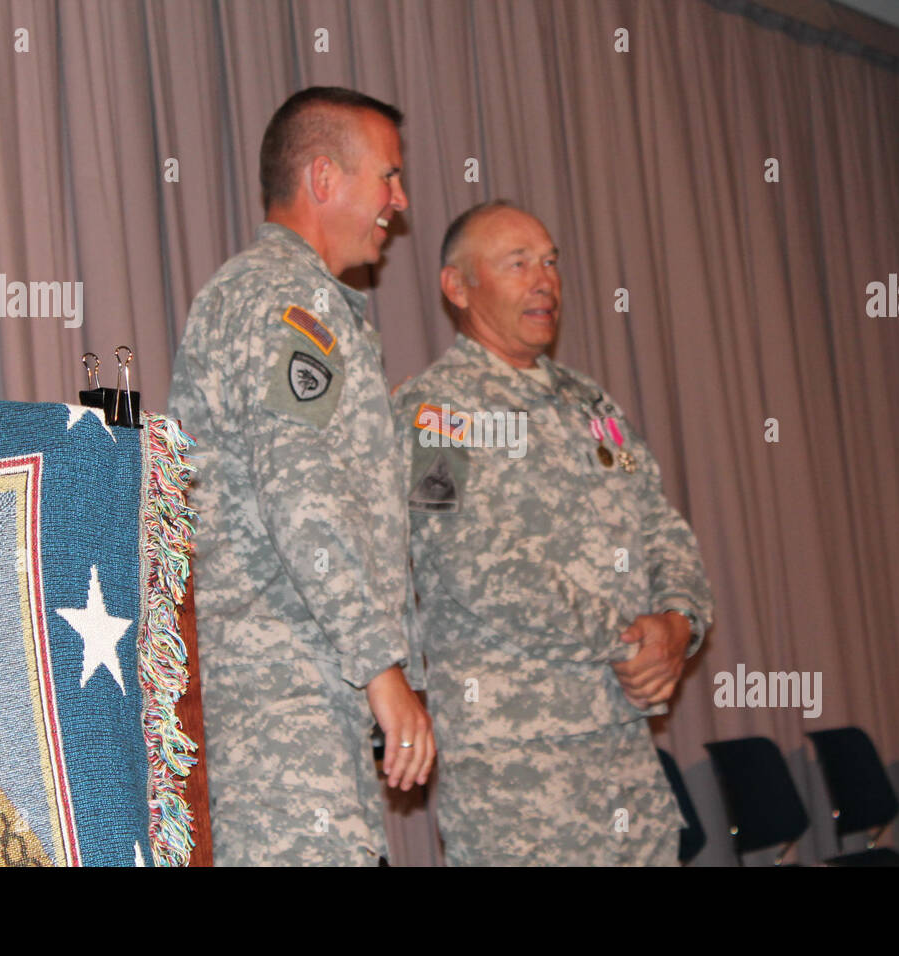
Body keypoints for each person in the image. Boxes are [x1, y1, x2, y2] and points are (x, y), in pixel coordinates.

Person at [393, 200, 714, 865]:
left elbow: (659, 522)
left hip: (623, 756)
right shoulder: (437, 410)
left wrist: (678, 625)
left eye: (550, 262)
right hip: (516, 773)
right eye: (517, 264)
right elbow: (469, 561)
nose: (544, 280)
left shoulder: (589, 402)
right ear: (459, 287)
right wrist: (626, 640)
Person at [168, 87, 434, 866]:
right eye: (386, 176)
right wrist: (381, 667)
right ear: (324, 178)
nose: (400, 199)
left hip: (301, 698)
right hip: (282, 702)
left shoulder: (285, 299)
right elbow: (301, 496)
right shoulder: (291, 302)